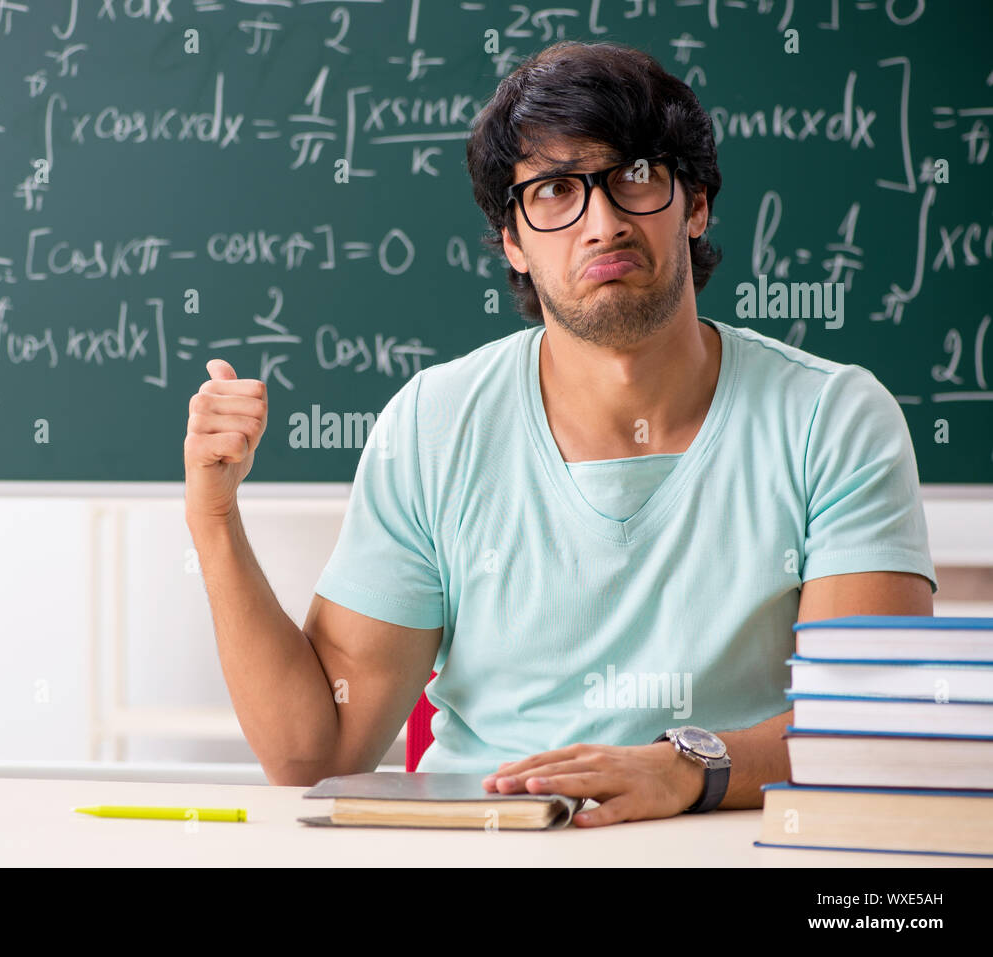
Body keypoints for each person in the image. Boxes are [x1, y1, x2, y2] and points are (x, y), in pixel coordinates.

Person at [182, 40, 936, 827]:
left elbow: (868, 726)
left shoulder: (836, 419)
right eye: (553, 192)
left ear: (697, 202)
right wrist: (213, 517)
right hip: (487, 838)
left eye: (634, 178)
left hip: (730, 838)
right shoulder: (434, 423)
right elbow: (317, 754)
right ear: (512, 240)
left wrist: (686, 768)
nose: (601, 223)